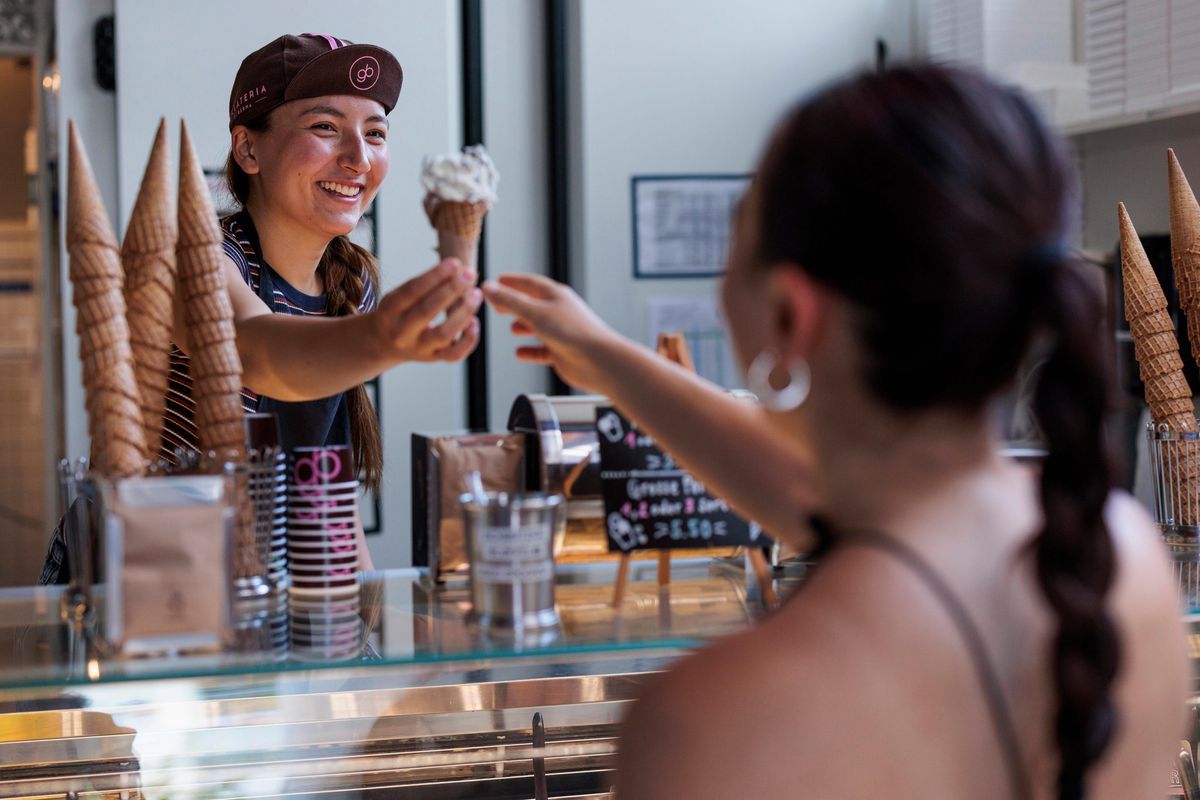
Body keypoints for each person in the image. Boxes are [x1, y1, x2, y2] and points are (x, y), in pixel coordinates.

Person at [484, 65, 1189, 799]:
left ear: (789, 313)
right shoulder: (1122, 561)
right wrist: (606, 358)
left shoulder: (714, 719)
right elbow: (825, 503)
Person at [165, 34, 483, 568]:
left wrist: (367, 604)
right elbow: (256, 353)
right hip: (159, 580)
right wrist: (384, 339)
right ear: (248, 149)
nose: (359, 159)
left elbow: (330, 495)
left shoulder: (350, 283)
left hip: (272, 585)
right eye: (325, 127)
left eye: (375, 133)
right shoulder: (194, 257)